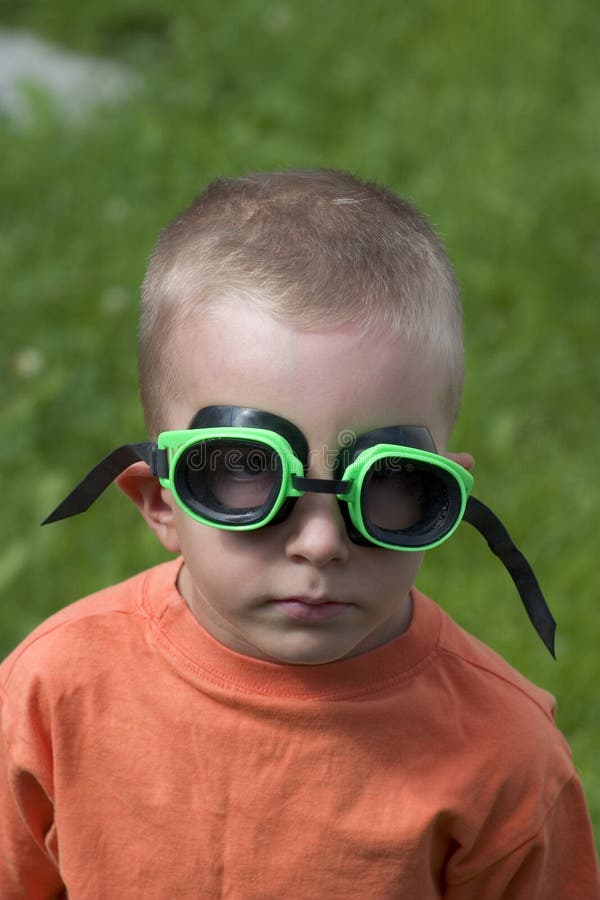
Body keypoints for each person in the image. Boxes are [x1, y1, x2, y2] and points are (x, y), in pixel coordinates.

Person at [1, 170, 597, 898]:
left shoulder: (504, 759)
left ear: (445, 489)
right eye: (246, 469)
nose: (320, 544)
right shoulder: (52, 697)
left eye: (389, 483)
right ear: (159, 499)